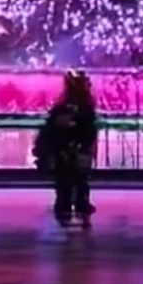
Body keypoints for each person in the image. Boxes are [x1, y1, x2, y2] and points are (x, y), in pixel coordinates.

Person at [35, 71, 98, 226]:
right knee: (72, 180)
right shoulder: (77, 108)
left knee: (73, 180)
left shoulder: (75, 108)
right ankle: (73, 205)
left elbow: (87, 129)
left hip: (71, 149)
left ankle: (71, 206)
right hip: (67, 149)